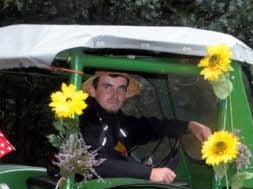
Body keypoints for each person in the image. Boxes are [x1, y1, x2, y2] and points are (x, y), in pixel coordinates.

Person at [79, 71, 213, 183]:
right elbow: (94, 163)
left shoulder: (116, 120)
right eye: (108, 87)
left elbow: (149, 127)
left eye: (121, 88)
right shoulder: (83, 120)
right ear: (93, 90)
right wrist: (149, 173)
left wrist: (189, 126)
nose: (115, 95)